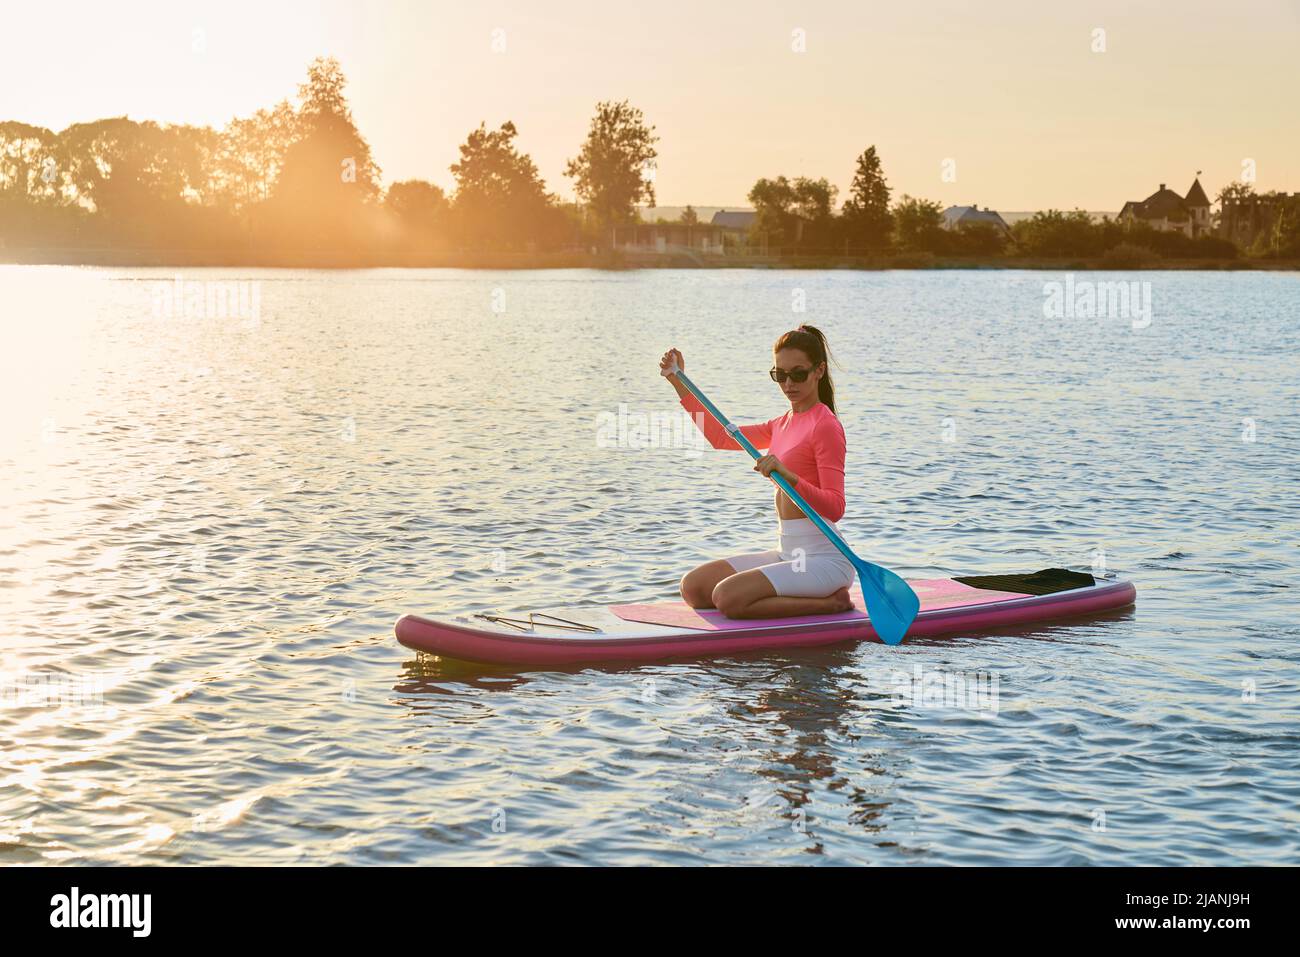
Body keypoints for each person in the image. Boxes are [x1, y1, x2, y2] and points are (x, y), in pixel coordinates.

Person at [660, 325, 856, 619]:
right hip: (788, 553)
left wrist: (789, 476)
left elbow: (835, 507)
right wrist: (678, 382)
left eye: (798, 373)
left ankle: (832, 604)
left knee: (727, 597)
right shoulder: (781, 423)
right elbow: (721, 438)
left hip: (825, 559)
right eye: (780, 374)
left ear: (819, 371)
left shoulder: (825, 426)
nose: (788, 383)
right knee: (694, 587)